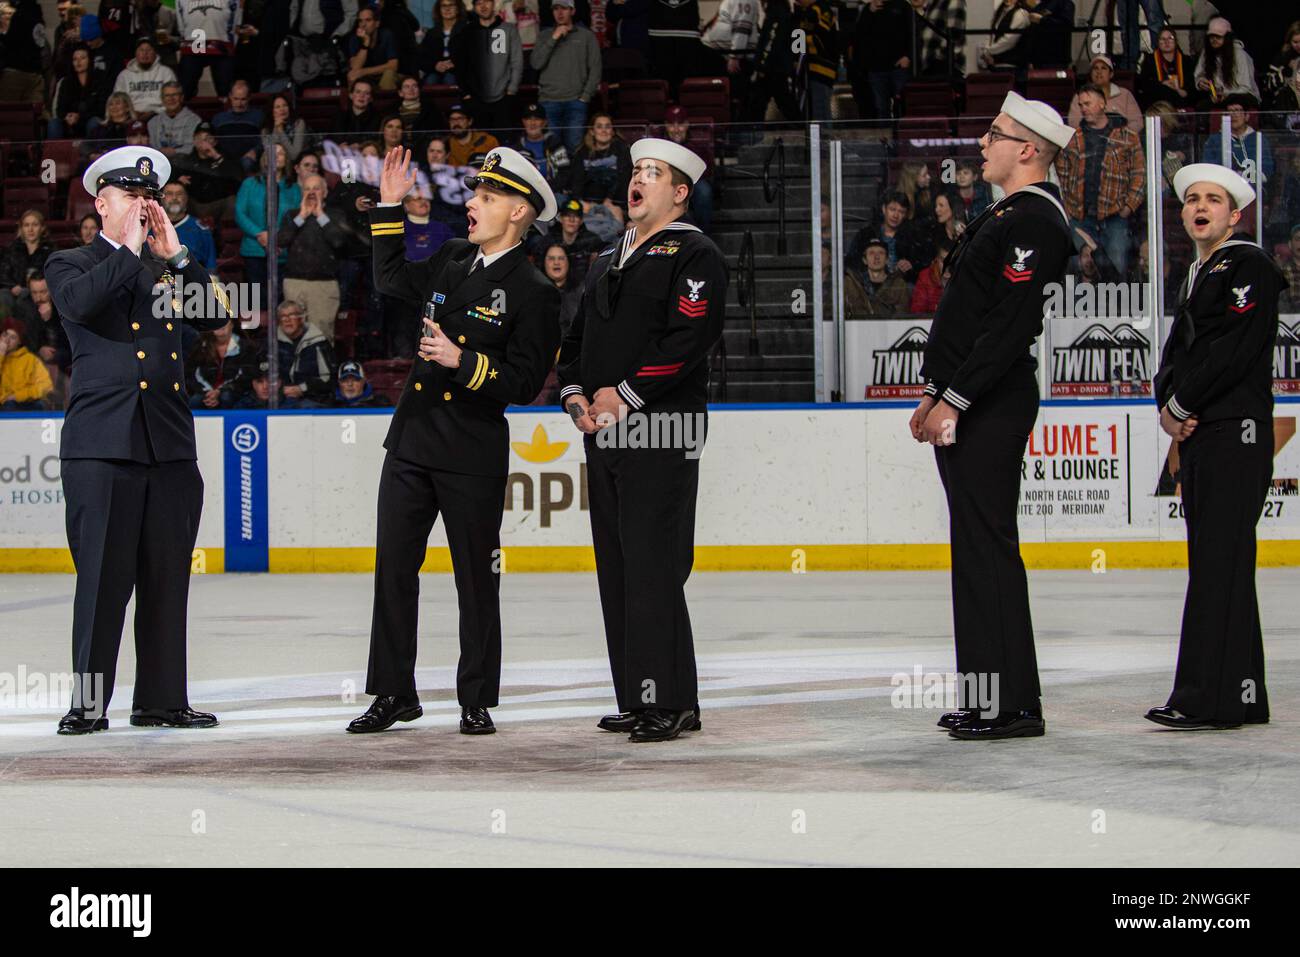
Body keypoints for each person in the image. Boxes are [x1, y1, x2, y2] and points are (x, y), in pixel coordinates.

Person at [347, 146, 560, 736]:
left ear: (518, 212)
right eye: (475, 194)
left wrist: (463, 360)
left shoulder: (534, 290)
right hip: (412, 441)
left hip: (470, 452)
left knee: (475, 575)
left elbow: (522, 381)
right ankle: (394, 693)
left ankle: (476, 697)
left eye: (488, 198)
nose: (472, 204)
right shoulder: (449, 257)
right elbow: (390, 279)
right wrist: (389, 207)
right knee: (394, 567)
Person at [44, 145, 232, 734]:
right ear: (102, 203)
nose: (145, 207)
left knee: (166, 579)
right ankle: (89, 703)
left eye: (151, 198)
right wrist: (129, 247)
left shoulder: (164, 269)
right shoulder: (69, 263)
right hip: (103, 447)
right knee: (102, 581)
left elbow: (217, 317)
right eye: (132, 197)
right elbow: (81, 304)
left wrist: (177, 256)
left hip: (169, 445)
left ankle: (161, 700)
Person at [910, 92, 1074, 741]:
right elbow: (969, 318)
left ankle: (1011, 703)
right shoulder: (1006, 214)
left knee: (989, 545)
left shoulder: (1033, 218)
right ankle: (987, 695)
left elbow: (1006, 327)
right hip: (973, 397)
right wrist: (936, 391)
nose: (983, 144)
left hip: (992, 399)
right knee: (974, 547)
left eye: (995, 134)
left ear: (1027, 149)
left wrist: (955, 396)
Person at [557, 137, 727, 743]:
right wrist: (575, 394)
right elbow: (573, 342)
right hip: (603, 434)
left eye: (652, 174)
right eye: (635, 171)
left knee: (655, 563)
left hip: (662, 429)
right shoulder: (606, 259)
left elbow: (688, 340)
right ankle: (637, 694)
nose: (638, 180)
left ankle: (672, 700)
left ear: (679, 193)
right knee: (619, 565)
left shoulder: (695, 252)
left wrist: (623, 395)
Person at [1147, 163, 1285, 731]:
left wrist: (1178, 406)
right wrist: (1167, 400)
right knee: (1221, 563)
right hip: (1211, 434)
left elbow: (1232, 350)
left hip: (1234, 431)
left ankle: (1206, 698)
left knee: (1216, 566)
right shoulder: (1201, 272)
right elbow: (1180, 353)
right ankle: (1244, 694)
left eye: (1213, 200)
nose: (1199, 206)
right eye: (1191, 200)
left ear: (1235, 215)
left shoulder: (1247, 264)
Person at [1055, 83, 1145, 277]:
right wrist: (1067, 210)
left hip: (1114, 215)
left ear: (1103, 103)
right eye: (1080, 105)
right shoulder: (1071, 138)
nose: (1083, 108)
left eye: (1087, 103)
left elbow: (1138, 174)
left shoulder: (1127, 136)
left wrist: (1128, 206)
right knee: (1078, 268)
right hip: (1080, 216)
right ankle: (1079, 307)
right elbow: (1061, 175)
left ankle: (1115, 307)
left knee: (1116, 266)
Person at [279, 173, 350, 342]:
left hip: (323, 286)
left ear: (325, 192)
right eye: (307, 189)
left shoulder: (336, 215)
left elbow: (339, 241)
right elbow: (281, 240)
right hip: (294, 284)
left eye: (316, 188)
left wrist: (320, 215)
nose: (311, 192)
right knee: (292, 336)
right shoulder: (292, 215)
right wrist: (301, 217)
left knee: (321, 336)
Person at [530, 0, 601, 153]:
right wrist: (553, 39)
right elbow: (535, 63)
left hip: (575, 101)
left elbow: (595, 68)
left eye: (564, 8)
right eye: (556, 9)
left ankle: (575, 178)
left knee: (575, 149)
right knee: (552, 151)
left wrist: (585, 97)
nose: (560, 13)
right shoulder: (545, 36)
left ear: (573, 11)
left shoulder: (586, 36)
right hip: (548, 101)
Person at [235, 144, 301, 310]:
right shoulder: (249, 184)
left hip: (282, 251)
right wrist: (259, 234)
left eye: (281, 154)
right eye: (272, 153)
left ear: (286, 160)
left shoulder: (294, 188)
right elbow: (240, 213)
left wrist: (278, 238)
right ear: (264, 159)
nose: (277, 156)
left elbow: (299, 216)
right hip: (254, 249)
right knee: (256, 300)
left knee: (279, 300)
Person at [459, 0, 523, 133]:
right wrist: (466, 93)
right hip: (476, 98)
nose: (483, 6)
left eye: (486, 1)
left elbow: (517, 62)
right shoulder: (467, 32)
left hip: (504, 97)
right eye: (478, 3)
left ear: (494, 4)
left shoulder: (509, 29)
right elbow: (461, 64)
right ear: (474, 7)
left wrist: (511, 91)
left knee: (503, 141)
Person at [171, 122, 244, 226]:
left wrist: (215, 156)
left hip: (219, 204)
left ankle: (228, 236)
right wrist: (178, 179)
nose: (203, 142)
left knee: (233, 201)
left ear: (215, 141)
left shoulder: (225, 159)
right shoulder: (185, 161)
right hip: (194, 205)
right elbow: (171, 176)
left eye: (208, 138)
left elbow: (237, 178)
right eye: (199, 138)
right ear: (194, 141)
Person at [566, 113, 632, 224]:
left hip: (615, 204)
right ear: (592, 131)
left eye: (607, 127)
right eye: (599, 127)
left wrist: (610, 200)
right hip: (588, 204)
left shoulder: (622, 150)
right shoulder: (582, 152)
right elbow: (576, 181)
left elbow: (624, 179)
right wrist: (581, 202)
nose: (604, 130)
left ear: (612, 131)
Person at [275, 298, 337, 406]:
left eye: (291, 315)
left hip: (312, 399)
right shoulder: (272, 343)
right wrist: (281, 390)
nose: (287, 320)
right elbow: (265, 376)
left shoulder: (318, 342)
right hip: (280, 397)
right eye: (283, 316)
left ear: (302, 318)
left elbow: (329, 379)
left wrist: (302, 388)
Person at [186, 318, 258, 408]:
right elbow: (192, 373)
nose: (220, 324)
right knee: (195, 400)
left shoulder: (245, 347)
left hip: (233, 392)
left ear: (232, 324)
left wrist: (220, 391)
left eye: (224, 320)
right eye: (216, 320)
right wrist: (208, 391)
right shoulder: (201, 347)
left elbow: (246, 375)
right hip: (205, 391)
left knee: (226, 397)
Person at [175, 0, 240, 97]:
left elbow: (236, 22)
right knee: (185, 90)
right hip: (193, 43)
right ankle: (186, 110)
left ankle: (227, 110)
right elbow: (181, 26)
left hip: (222, 44)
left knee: (226, 92)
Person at [664, 106, 714, 230]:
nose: (676, 130)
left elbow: (707, 170)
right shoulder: (661, 144)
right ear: (665, 126)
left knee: (704, 191)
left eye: (680, 124)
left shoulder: (697, 144)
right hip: (668, 182)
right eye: (671, 125)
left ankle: (703, 235)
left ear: (686, 125)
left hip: (693, 181)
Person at [1065, 54, 1143, 132]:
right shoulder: (1080, 96)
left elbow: (1137, 122)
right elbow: (1073, 123)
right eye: (1095, 68)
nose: (1099, 72)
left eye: (1103, 68)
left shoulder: (1125, 94)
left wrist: (1122, 135)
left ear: (1111, 74)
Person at [1194, 16, 1259, 106]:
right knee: (1201, 105)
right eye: (1211, 37)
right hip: (1217, 97)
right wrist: (1200, 82)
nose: (1214, 40)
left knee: (1233, 100)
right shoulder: (1207, 52)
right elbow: (1199, 74)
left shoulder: (1240, 55)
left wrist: (1226, 94)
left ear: (1227, 37)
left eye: (1218, 37)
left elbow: (1246, 87)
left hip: (1241, 95)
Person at [50, 44, 112, 139]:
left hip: (89, 120)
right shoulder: (66, 82)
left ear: (90, 60)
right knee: (54, 123)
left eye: (82, 58)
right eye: (75, 59)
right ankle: (54, 153)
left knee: (94, 122)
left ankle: (93, 152)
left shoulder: (100, 80)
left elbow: (102, 108)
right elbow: (60, 109)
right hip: (69, 123)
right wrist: (67, 117)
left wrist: (80, 116)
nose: (78, 62)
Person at [112, 36, 178, 116]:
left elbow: (174, 99)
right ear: (136, 53)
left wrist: (155, 113)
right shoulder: (124, 75)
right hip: (132, 116)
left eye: (149, 50)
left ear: (155, 53)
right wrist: (131, 113)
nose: (145, 53)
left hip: (160, 115)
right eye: (141, 50)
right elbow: (117, 101)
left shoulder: (166, 72)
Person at [793, 0, 837, 121]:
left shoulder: (822, 9)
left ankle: (825, 139)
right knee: (808, 112)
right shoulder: (802, 12)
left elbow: (825, 39)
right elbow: (796, 41)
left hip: (822, 69)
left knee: (820, 111)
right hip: (806, 70)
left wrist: (803, 40)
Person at [845, 238, 910, 317]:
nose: (876, 257)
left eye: (881, 253)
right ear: (864, 260)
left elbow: (902, 314)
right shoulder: (851, 283)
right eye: (871, 253)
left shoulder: (899, 284)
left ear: (887, 259)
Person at [0, 318, 54, 409]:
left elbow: (46, 386)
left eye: (13, 337)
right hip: (3, 405)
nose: (7, 340)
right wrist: (1, 355)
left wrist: (18, 396)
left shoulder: (30, 359)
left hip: (25, 403)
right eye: (5, 335)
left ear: (19, 342)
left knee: (40, 405)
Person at [162, 182, 217, 269]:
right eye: (169, 194)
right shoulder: (150, 227)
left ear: (186, 198)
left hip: (192, 280)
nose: (174, 198)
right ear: (161, 198)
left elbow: (211, 264)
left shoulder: (201, 229)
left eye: (179, 194)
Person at [212, 80, 264, 169]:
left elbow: (265, 138)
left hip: (248, 159)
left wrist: (255, 151)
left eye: (243, 99)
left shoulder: (258, 116)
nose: (239, 104)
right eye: (236, 99)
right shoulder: (219, 118)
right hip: (224, 159)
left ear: (249, 98)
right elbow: (213, 141)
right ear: (230, 96)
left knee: (247, 163)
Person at [1137, 27, 1194, 110]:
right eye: (1162, 39)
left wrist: (1179, 90)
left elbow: (1191, 86)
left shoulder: (1186, 61)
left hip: (1181, 97)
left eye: (1170, 38)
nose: (1166, 42)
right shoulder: (1150, 60)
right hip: (1158, 99)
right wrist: (1163, 84)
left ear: (1176, 41)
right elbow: (1144, 84)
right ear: (1158, 42)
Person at [346, 4, 399, 91]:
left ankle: (384, 104)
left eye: (368, 20)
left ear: (377, 23)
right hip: (366, 78)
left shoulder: (387, 35)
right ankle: (356, 104)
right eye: (360, 21)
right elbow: (355, 68)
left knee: (389, 74)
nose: (363, 24)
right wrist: (365, 44)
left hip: (384, 75)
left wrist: (363, 71)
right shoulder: (354, 39)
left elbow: (393, 65)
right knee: (352, 75)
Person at [418, 0, 469, 87]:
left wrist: (455, 64)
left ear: (458, 9)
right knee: (431, 81)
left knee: (449, 79)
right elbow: (422, 58)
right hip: (435, 71)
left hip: (459, 71)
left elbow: (473, 56)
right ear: (439, 10)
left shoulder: (467, 31)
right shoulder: (432, 33)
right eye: (443, 6)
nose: (447, 9)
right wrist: (435, 65)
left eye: (451, 5)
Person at [147, 82, 202, 157]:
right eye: (167, 95)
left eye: (175, 95)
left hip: (186, 163)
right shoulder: (153, 122)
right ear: (162, 99)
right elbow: (153, 148)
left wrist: (174, 151)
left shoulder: (194, 120)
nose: (171, 99)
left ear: (182, 97)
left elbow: (192, 147)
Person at [909, 238, 952, 313]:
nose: (947, 265)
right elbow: (917, 310)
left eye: (952, 261)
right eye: (943, 261)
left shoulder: (966, 277)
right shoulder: (926, 276)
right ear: (937, 259)